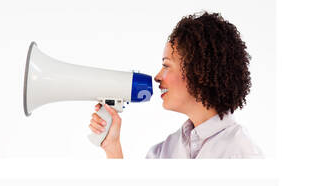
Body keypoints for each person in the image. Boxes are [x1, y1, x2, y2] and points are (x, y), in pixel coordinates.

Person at [91, 11, 263, 158]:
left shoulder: (242, 153)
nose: (157, 77)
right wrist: (112, 147)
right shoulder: (163, 153)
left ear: (197, 71)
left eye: (166, 65)